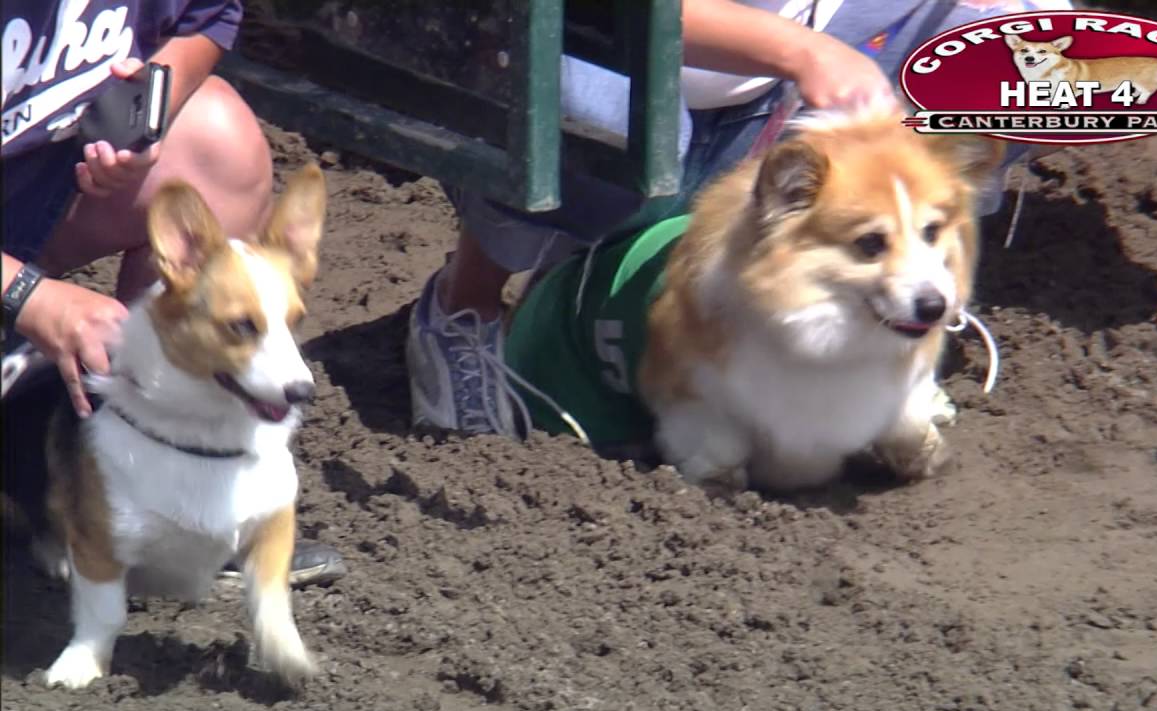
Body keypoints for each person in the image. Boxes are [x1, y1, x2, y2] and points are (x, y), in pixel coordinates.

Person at [406, 0, 1072, 439]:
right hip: (621, 75)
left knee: (1013, 60)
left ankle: (886, 325)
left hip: (763, 110)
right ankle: (464, 311)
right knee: (590, 110)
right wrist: (803, 54)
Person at [1, 0, 345, 587]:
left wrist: (142, 113)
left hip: (37, 197)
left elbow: (205, 19)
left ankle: (147, 500)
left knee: (217, 144)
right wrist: (31, 297)